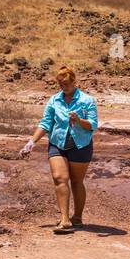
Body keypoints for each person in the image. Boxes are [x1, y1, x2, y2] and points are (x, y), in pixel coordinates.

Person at [20, 65, 98, 234]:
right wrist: (31, 142)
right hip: (58, 143)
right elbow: (46, 123)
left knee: (77, 182)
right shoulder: (54, 100)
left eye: (66, 84)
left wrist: (78, 120)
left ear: (74, 81)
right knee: (59, 178)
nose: (63, 87)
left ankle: (77, 217)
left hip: (81, 145)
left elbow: (93, 125)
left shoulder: (87, 100)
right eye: (60, 84)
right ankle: (65, 219)